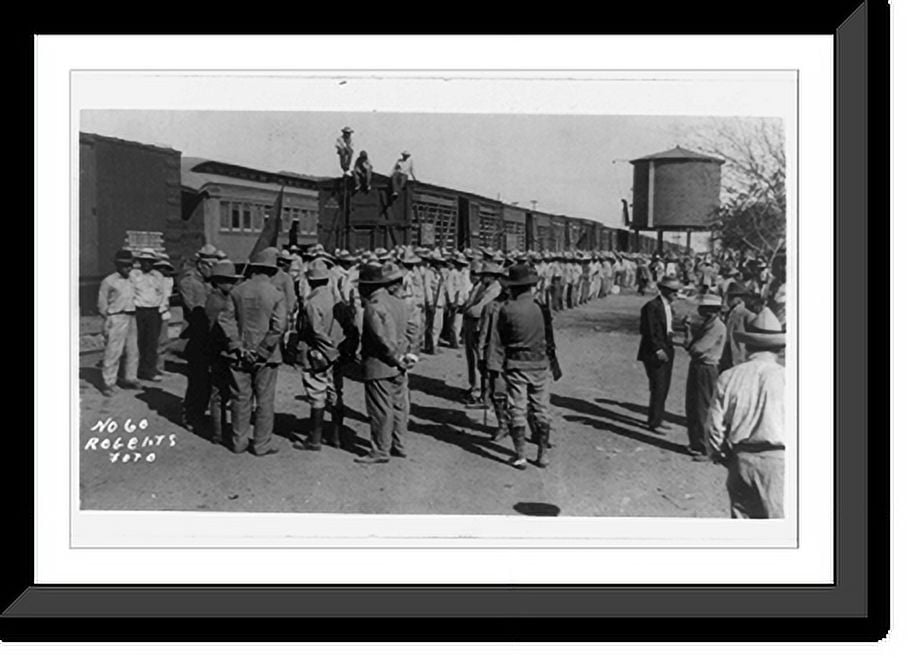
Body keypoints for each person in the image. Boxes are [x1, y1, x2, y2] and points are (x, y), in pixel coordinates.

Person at [707, 308, 786, 519]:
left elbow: (715, 424)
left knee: (744, 528)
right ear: (778, 347)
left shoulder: (729, 376)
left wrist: (719, 452)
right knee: (778, 529)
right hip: (778, 461)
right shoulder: (788, 379)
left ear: (747, 345)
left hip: (741, 459)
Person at [218, 248, 287, 456]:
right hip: (266, 356)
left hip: (239, 353)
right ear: (272, 270)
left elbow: (226, 319)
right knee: (264, 400)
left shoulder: (237, 291)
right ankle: (261, 444)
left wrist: (237, 346)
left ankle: (238, 442)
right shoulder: (276, 294)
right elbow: (278, 326)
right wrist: (262, 351)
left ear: (254, 268)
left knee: (240, 398)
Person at [490, 264, 556, 470]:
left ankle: (520, 456)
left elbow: (497, 341)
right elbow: (549, 338)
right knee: (541, 409)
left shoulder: (507, 309)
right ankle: (543, 455)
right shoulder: (541, 308)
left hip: (517, 365)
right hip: (540, 364)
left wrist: (493, 367)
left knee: (517, 409)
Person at [354, 262, 420, 465]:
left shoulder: (374, 306)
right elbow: (412, 328)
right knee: (399, 406)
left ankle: (381, 450)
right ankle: (399, 444)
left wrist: (395, 358)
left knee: (380, 409)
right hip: (400, 363)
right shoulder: (398, 302)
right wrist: (408, 356)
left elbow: (383, 338)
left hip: (380, 364)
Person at [295, 259, 359, 451]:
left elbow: (316, 331)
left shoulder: (312, 303)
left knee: (317, 394)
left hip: (319, 355)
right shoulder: (336, 299)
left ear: (310, 281)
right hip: (337, 353)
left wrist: (329, 352)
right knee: (336, 393)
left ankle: (314, 439)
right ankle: (337, 437)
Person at [178, 244, 220, 428]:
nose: (214, 270)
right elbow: (196, 309)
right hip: (196, 335)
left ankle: (199, 413)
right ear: (202, 264)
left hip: (208, 335)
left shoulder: (206, 282)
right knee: (197, 379)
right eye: (211, 265)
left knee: (206, 380)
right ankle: (191, 416)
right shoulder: (189, 282)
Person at [682, 294, 727, 460]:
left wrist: (691, 342)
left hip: (707, 368)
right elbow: (689, 346)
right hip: (698, 367)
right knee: (693, 406)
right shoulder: (707, 325)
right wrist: (687, 329)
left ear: (711, 310)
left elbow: (696, 349)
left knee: (703, 407)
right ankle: (696, 443)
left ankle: (706, 447)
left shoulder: (717, 327)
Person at [205, 260, 243, 445]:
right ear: (218, 281)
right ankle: (218, 433)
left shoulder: (218, 298)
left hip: (219, 351)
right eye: (228, 281)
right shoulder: (218, 301)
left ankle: (219, 431)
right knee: (219, 394)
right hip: (219, 352)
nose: (232, 284)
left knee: (221, 393)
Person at [637, 275, 682, 433]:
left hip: (667, 346)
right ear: (664, 290)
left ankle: (658, 417)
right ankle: (654, 422)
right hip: (654, 350)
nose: (676, 294)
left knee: (665, 386)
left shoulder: (669, 306)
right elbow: (648, 331)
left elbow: (667, 327)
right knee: (658, 386)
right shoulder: (652, 306)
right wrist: (658, 349)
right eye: (673, 291)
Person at [97, 249, 141, 396]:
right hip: (116, 317)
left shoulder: (132, 279)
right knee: (113, 351)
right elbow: (102, 303)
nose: (128, 268)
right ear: (117, 265)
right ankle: (108, 382)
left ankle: (130, 378)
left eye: (130, 265)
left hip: (131, 316)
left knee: (132, 349)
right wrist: (108, 318)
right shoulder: (109, 281)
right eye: (124, 265)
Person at [476, 262, 509, 441]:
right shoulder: (492, 306)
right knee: (498, 394)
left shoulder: (530, 307)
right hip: (497, 357)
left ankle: (535, 429)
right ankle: (503, 425)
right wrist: (481, 356)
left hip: (520, 359)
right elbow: (483, 334)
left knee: (524, 396)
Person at [462, 260, 503, 404]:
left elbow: (479, 310)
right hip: (472, 325)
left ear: (492, 276)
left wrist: (467, 310)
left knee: (480, 359)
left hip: (480, 327)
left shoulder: (494, 289)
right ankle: (475, 386)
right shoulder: (482, 287)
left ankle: (479, 391)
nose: (481, 277)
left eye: (484, 274)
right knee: (472, 358)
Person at [131, 248, 165, 382]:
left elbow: (162, 294)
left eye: (150, 262)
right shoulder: (134, 275)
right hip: (138, 311)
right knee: (137, 341)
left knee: (151, 342)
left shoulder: (158, 276)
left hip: (153, 311)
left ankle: (149, 370)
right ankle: (135, 370)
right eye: (144, 261)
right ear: (140, 262)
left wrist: (160, 311)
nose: (147, 264)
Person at [719, 281, 757, 372]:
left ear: (739, 299)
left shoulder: (747, 314)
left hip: (738, 352)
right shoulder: (728, 313)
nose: (728, 300)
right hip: (726, 349)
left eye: (731, 297)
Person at [152, 254, 176, 377]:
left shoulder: (169, 281)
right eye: (160, 267)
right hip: (153, 313)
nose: (163, 270)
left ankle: (159, 367)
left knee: (162, 342)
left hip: (164, 314)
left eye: (164, 268)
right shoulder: (151, 280)